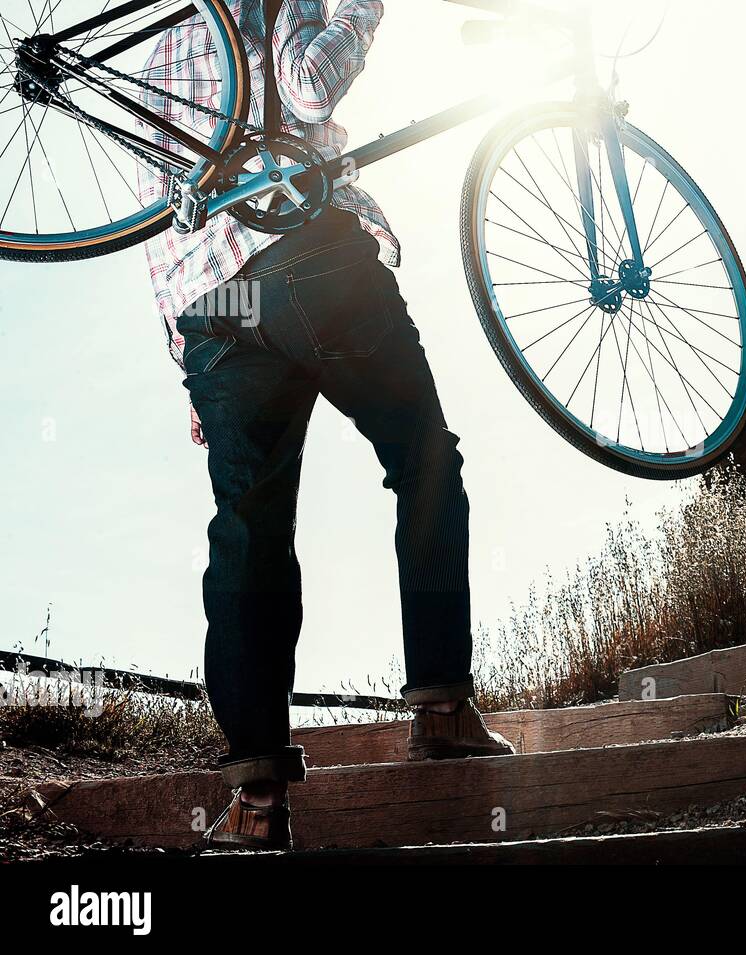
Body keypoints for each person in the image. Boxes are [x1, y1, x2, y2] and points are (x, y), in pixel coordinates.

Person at [135, 0, 512, 852]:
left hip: (213, 305)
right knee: (422, 459)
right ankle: (442, 709)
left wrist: (185, 351)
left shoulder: (162, 35)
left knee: (249, 525)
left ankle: (256, 801)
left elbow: (154, 215)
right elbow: (307, 89)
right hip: (305, 257)